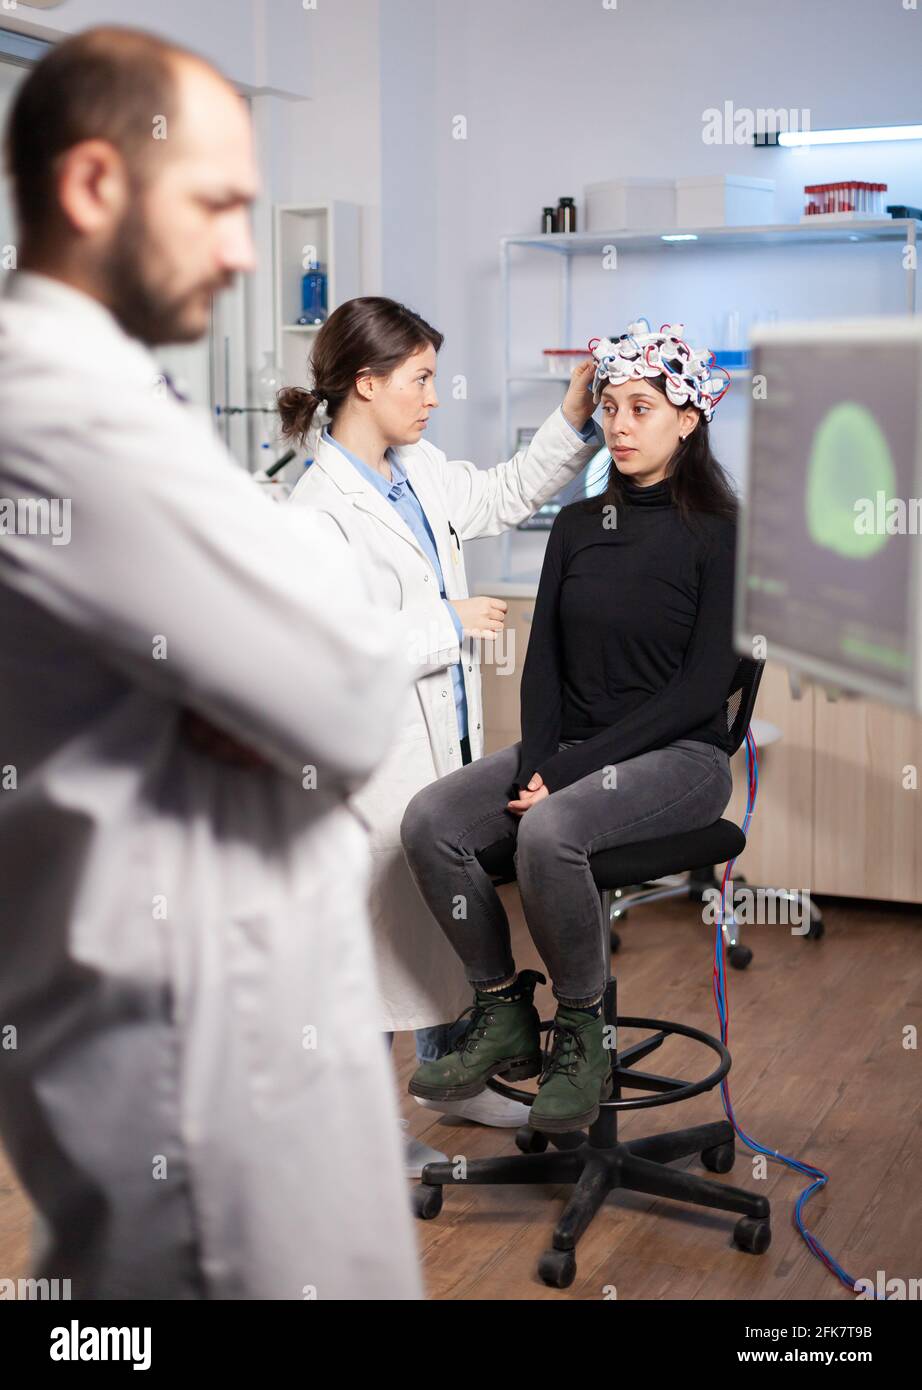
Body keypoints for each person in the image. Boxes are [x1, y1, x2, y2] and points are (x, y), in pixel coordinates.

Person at [0, 26, 432, 1299]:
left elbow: (320, 667)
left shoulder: (121, 400)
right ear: (92, 187)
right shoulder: (63, 418)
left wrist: (273, 664)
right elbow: (349, 693)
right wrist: (286, 669)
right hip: (193, 1062)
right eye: (218, 205)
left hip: (219, 1016)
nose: (248, 251)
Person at [280, 298, 602, 1170]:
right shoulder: (319, 510)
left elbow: (500, 493)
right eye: (419, 379)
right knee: (374, 951)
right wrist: (445, 619)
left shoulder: (412, 469)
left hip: (437, 745)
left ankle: (461, 1086)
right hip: (369, 765)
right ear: (366, 381)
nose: (432, 396)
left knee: (439, 928)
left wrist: (574, 416)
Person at [400, 319, 740, 1134]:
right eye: (612, 408)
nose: (620, 426)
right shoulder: (581, 525)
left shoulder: (722, 534)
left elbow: (700, 691)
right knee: (431, 821)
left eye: (644, 409)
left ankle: (583, 1030)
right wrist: (539, 761)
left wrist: (571, 773)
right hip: (575, 750)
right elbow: (544, 663)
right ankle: (501, 1004)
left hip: (680, 756)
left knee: (549, 832)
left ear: (688, 420)